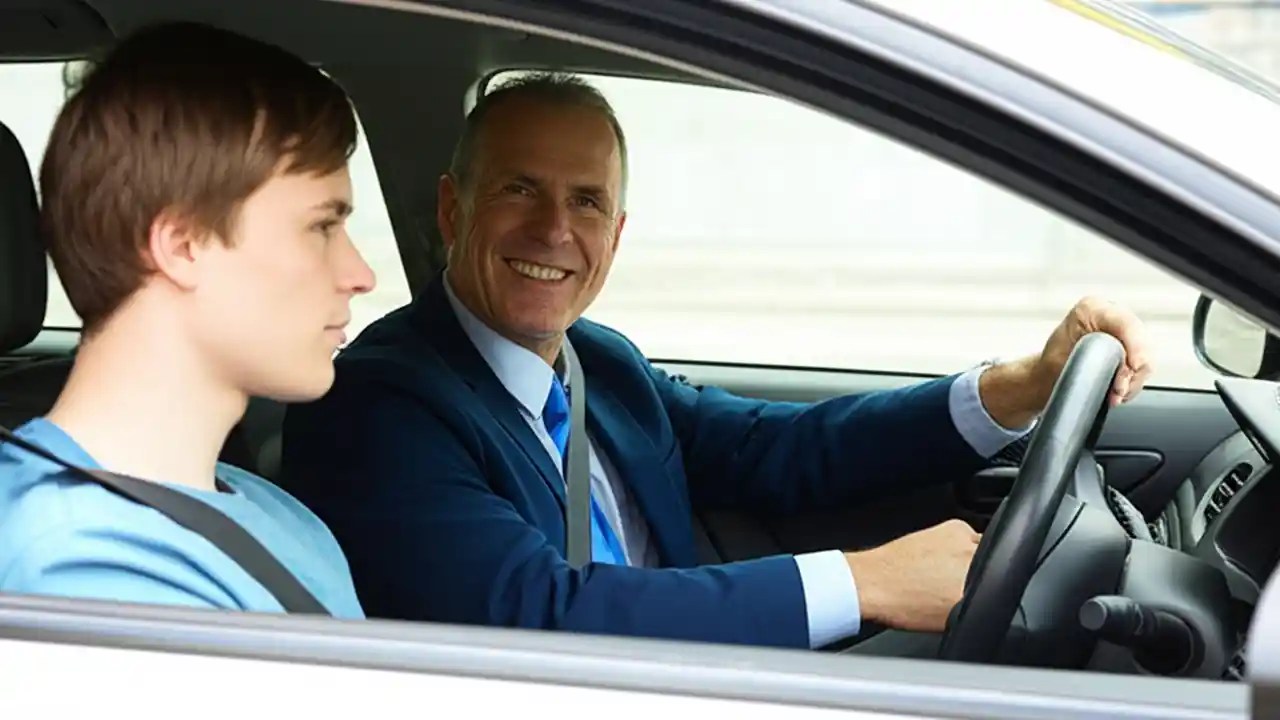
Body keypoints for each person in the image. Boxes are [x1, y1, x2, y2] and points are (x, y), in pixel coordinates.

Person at [279, 73, 1152, 649]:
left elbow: (784, 450)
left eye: (586, 202)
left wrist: (1023, 384)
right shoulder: (380, 404)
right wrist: (865, 581)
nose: (554, 231)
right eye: (519, 189)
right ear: (451, 208)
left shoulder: (599, 365)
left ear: (615, 236)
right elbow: (542, 614)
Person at [0, 22, 375, 616]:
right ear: (182, 245)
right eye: (322, 227)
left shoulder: (269, 507)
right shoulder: (80, 568)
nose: (360, 274)